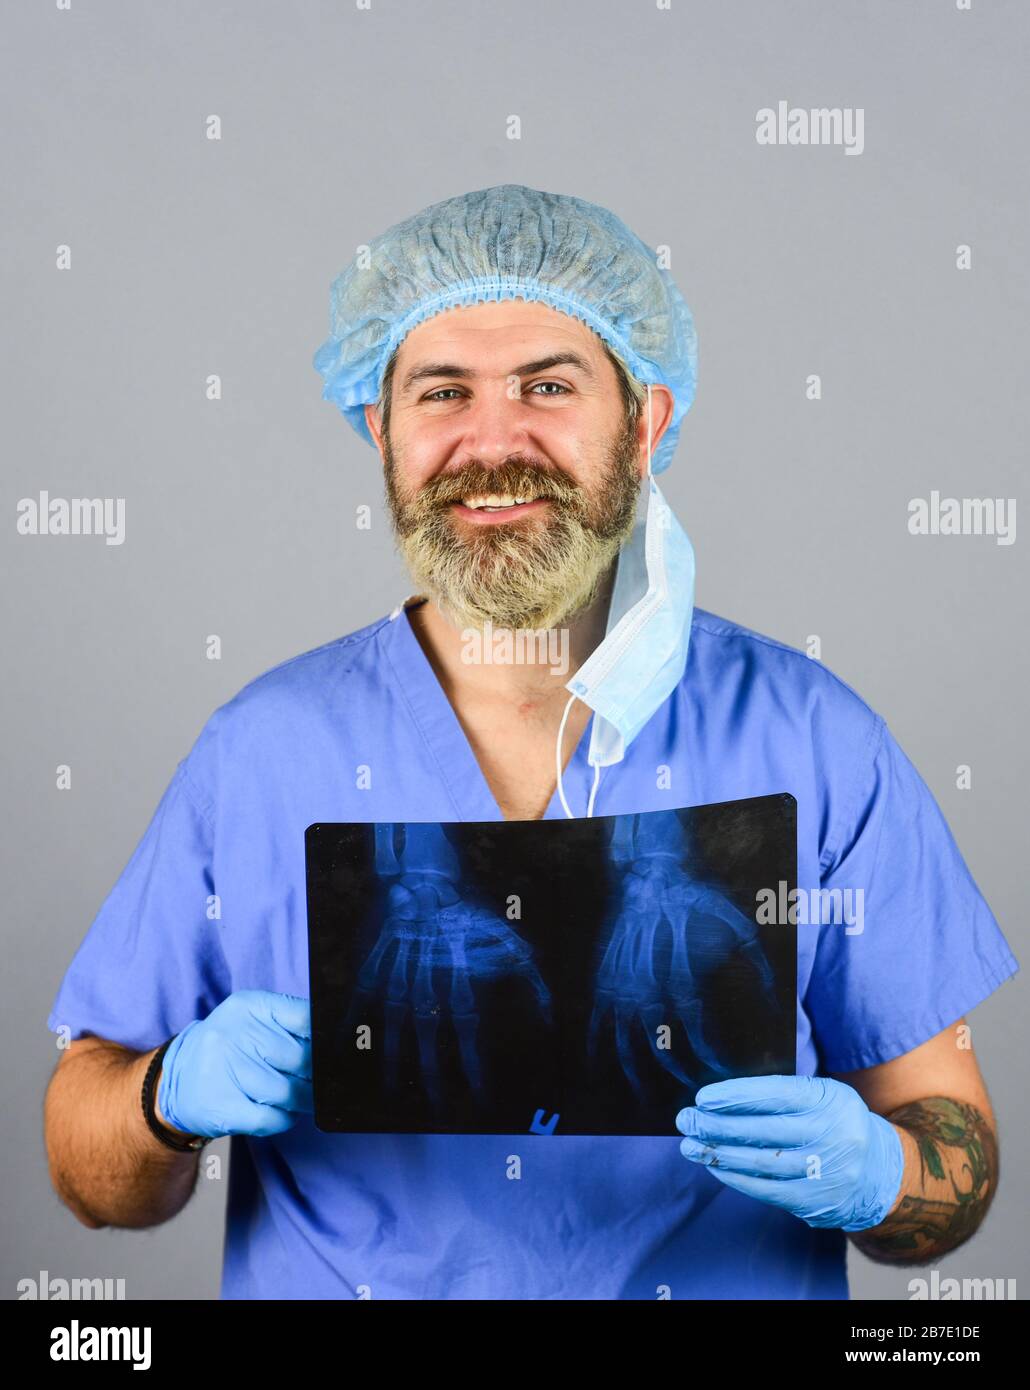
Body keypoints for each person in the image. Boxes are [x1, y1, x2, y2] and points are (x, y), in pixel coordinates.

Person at [44, 184, 1018, 1300]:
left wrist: (882, 1174)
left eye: (547, 386)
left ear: (645, 421)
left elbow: (951, 1160)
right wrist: (166, 1094)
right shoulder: (261, 751)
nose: (492, 441)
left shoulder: (811, 739)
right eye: (441, 391)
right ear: (381, 427)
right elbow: (91, 1169)